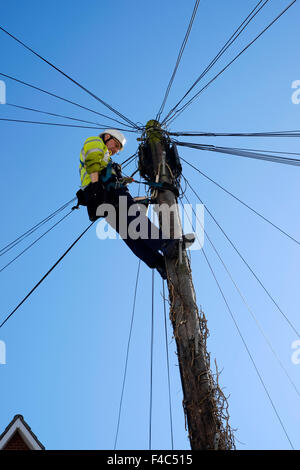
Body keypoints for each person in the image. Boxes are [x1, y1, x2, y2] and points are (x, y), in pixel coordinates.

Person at [78, 129, 192, 279]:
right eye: (116, 144)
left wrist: (121, 180)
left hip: (101, 199)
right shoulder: (95, 141)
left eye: (118, 148)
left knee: (128, 233)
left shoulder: (106, 158)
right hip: (108, 192)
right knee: (135, 217)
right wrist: (96, 187)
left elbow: (102, 171)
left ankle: (158, 263)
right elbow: (93, 162)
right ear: (107, 137)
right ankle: (166, 245)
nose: (115, 150)